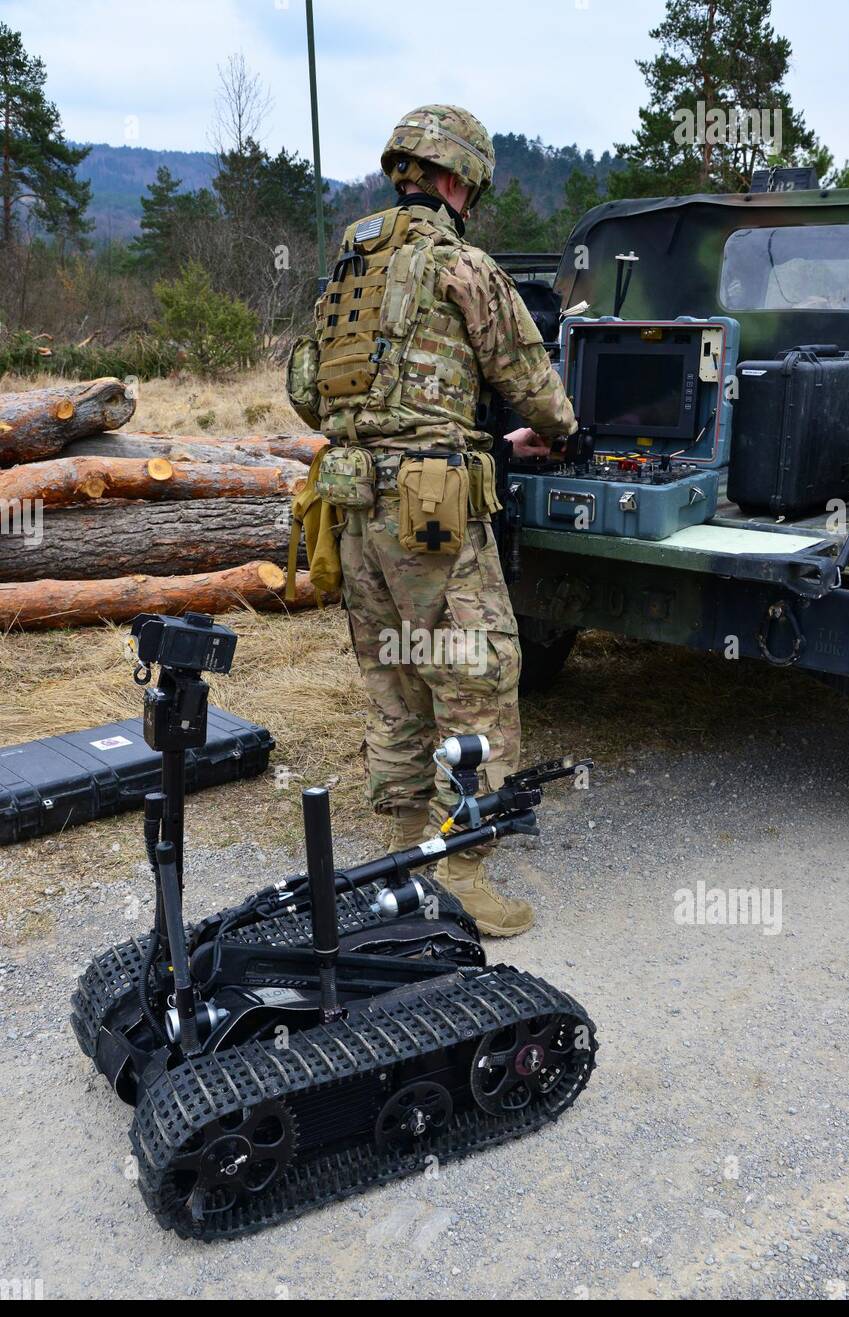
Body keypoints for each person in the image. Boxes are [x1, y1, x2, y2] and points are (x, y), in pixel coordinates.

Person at [287, 104, 577, 936]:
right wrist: (559, 432)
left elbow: (308, 391)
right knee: (474, 680)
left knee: (392, 683)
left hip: (350, 507)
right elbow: (531, 382)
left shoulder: (348, 269)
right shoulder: (462, 264)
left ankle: (400, 851)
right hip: (433, 518)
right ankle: (467, 872)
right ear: (456, 180)